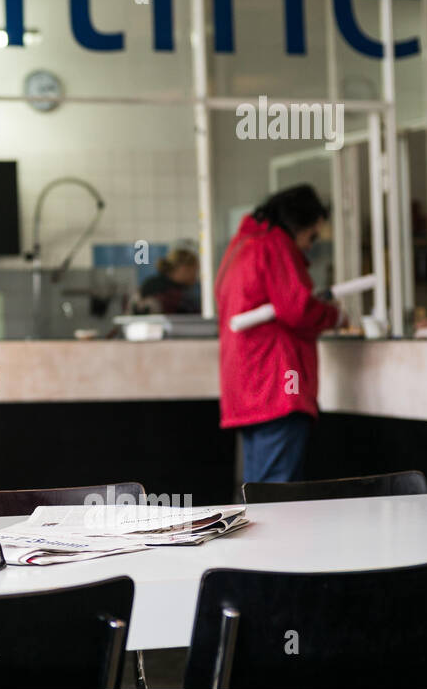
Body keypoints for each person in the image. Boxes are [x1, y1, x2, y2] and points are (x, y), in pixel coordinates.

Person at [216, 184, 344, 484]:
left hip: (247, 387)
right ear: (298, 225)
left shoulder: (240, 246)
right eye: (312, 236)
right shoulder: (274, 245)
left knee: (259, 491)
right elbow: (297, 307)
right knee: (278, 495)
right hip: (277, 388)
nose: (310, 246)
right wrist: (336, 316)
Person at [134, 248, 201, 314]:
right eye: (194, 271)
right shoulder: (169, 292)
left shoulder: (152, 283)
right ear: (184, 269)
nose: (195, 276)